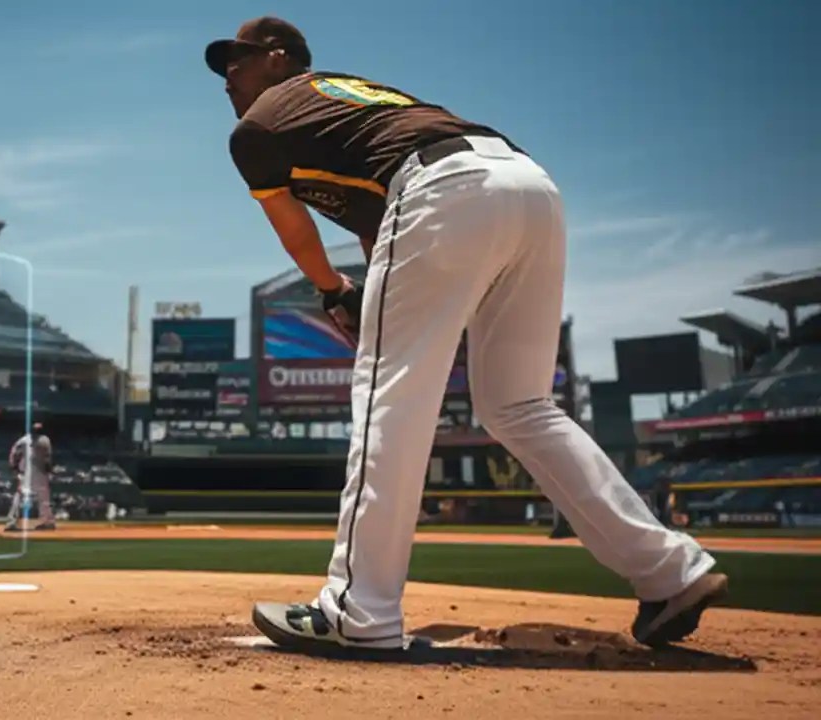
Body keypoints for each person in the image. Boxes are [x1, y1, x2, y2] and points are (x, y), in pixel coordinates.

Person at [204, 17, 727, 653]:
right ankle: (671, 571)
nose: (228, 74)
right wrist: (379, 291)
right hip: (527, 186)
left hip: (440, 189)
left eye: (239, 59)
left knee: (389, 396)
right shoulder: (347, 101)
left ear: (280, 58)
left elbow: (294, 230)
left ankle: (358, 611)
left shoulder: (261, 124)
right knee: (520, 403)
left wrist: (334, 290)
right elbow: (378, 221)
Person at [3, 421, 56, 532]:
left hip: (35, 473)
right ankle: (47, 522)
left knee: (37, 498)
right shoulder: (40, 440)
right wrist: (15, 468)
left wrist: (14, 468)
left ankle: (12, 522)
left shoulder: (26, 440)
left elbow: (13, 455)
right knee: (38, 497)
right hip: (31, 473)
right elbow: (47, 459)